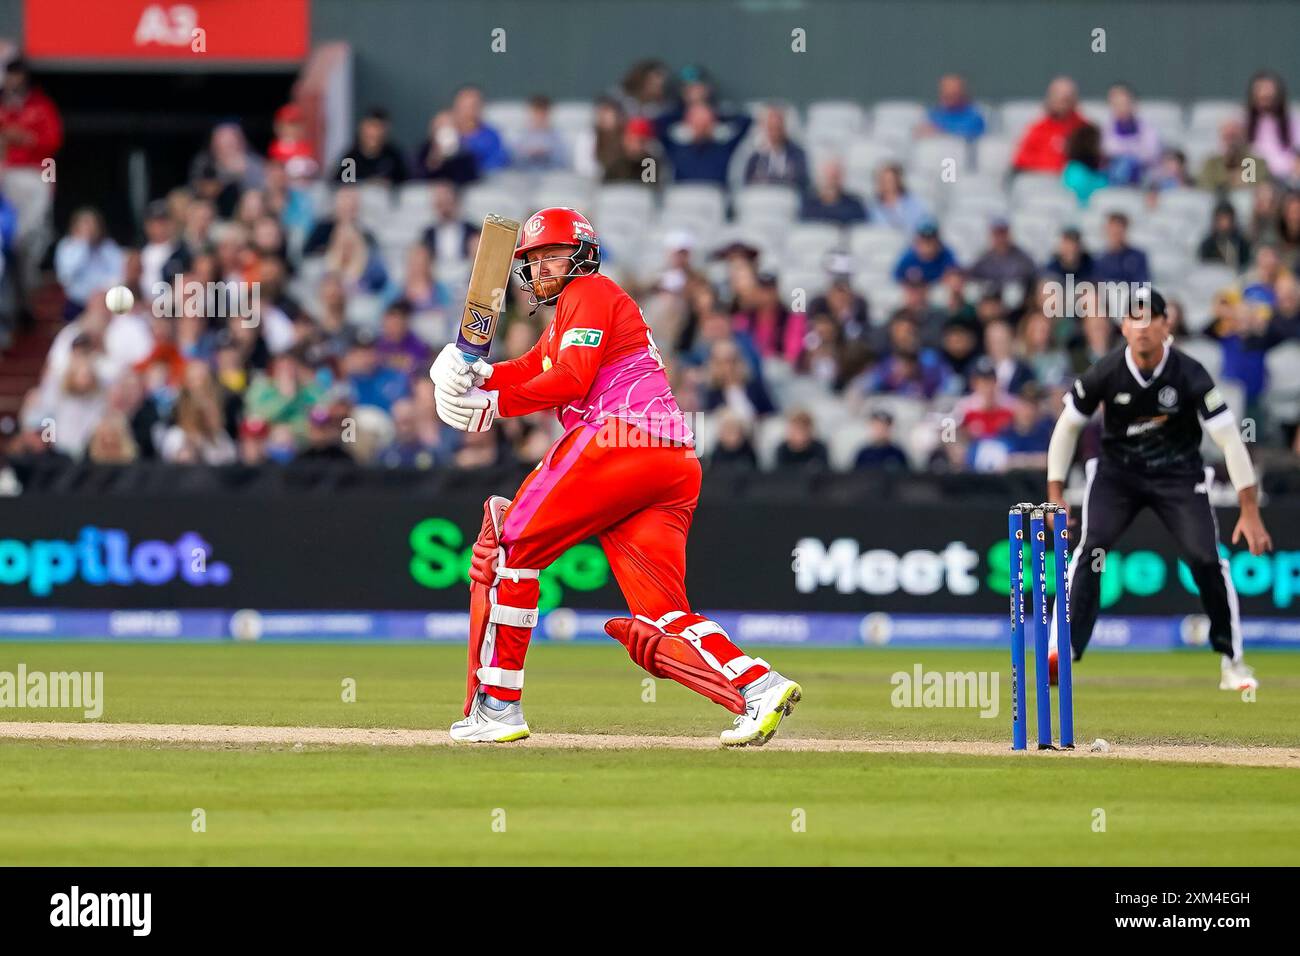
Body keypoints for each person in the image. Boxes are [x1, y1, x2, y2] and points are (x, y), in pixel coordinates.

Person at [430, 207, 801, 745]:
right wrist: (476, 374)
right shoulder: (570, 315)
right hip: (671, 462)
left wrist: (491, 405)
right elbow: (534, 367)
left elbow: (569, 380)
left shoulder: (591, 291)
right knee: (663, 612)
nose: (541, 270)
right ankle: (757, 685)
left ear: (582, 256)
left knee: (510, 549)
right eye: (533, 261)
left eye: (552, 257)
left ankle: (498, 706)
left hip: (621, 439)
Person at [1046, 287, 1272, 691]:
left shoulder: (1190, 373)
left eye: (1151, 317)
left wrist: (1249, 508)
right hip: (1118, 475)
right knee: (1091, 549)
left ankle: (1232, 662)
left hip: (1178, 476)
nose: (1142, 326)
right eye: (1134, 318)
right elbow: (1067, 426)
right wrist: (1055, 494)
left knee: (1205, 559)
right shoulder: (1106, 371)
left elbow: (1229, 440)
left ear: (1166, 325)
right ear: (1124, 327)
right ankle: (1062, 651)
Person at [1012, 76, 1086, 174]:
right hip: (1041, 182)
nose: (1061, 104)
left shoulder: (1084, 129)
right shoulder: (1038, 128)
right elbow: (1020, 159)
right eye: (1057, 97)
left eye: (1066, 99)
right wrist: (1051, 162)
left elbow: (1091, 162)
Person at [743, 105, 810, 190]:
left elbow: (801, 180)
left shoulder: (798, 154)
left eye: (777, 127)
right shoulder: (756, 157)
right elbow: (748, 182)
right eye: (771, 128)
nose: (774, 132)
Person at [918, 74, 985, 141]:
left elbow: (968, 133)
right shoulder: (934, 113)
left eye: (953, 94)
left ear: (962, 93)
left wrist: (939, 131)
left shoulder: (974, 116)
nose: (948, 98)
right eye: (945, 94)